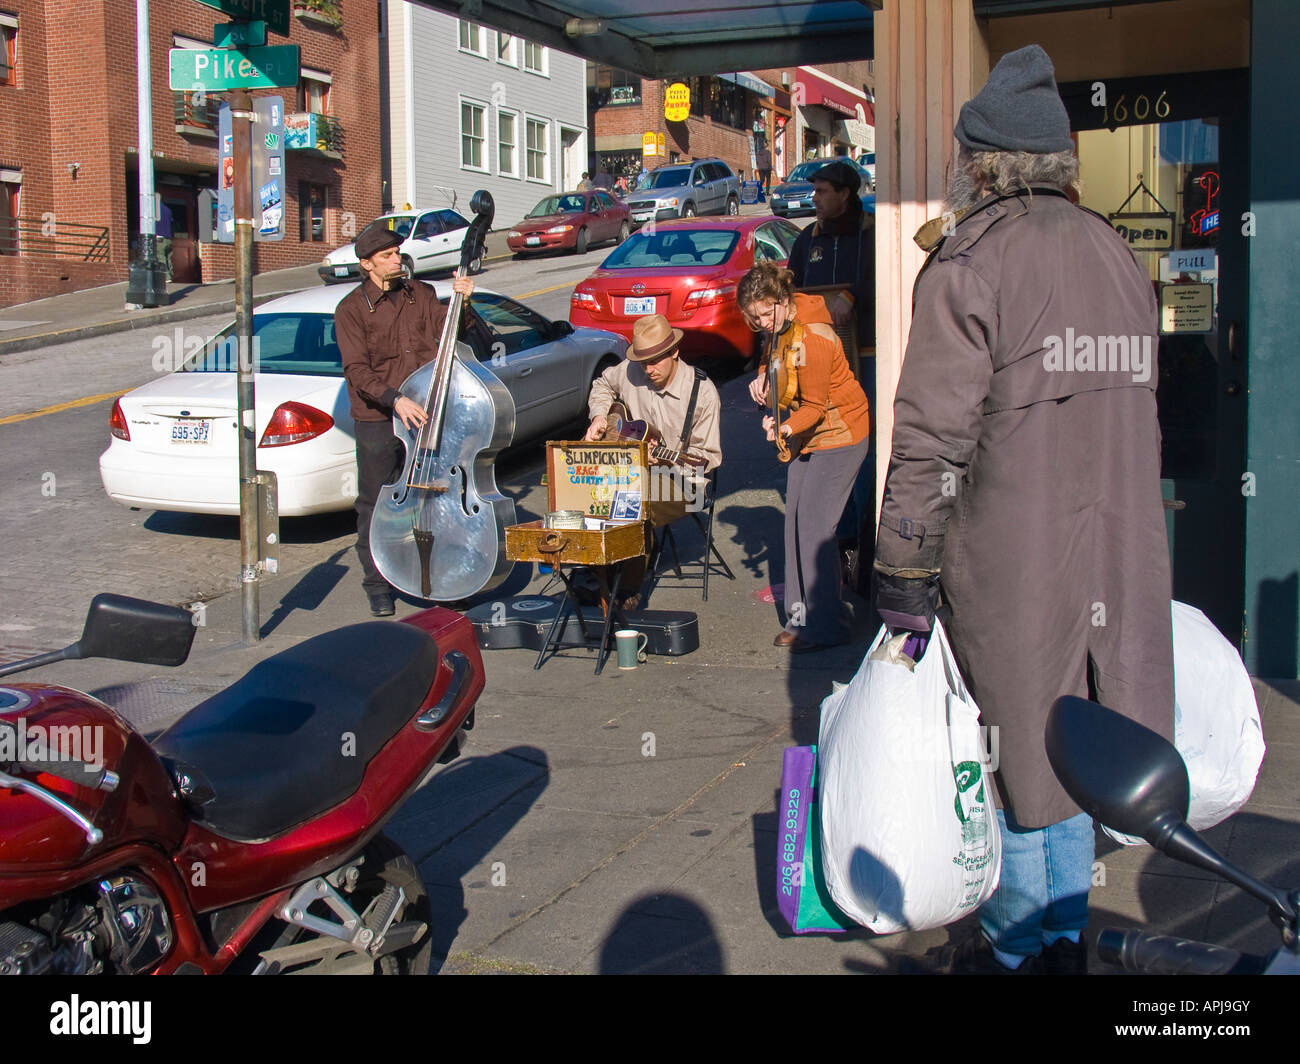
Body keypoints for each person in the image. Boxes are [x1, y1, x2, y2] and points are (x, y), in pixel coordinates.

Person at [871, 44, 1174, 974]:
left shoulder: (973, 262)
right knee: (1079, 748)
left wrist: (900, 578)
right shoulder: (1117, 252)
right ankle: (1062, 939)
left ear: (983, 161)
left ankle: (1012, 950)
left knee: (1005, 764)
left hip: (1009, 559)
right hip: (1112, 555)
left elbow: (928, 442)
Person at [334, 223, 475, 617]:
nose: (398, 259)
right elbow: (357, 372)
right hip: (380, 417)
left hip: (428, 411)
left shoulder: (422, 293)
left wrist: (465, 302)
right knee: (377, 502)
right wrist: (395, 401)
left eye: (398, 252)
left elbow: (455, 334)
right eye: (387, 256)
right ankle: (377, 583)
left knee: (435, 496)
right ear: (367, 264)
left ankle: (436, 576)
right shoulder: (350, 310)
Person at [741, 261, 870, 652]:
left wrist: (781, 427)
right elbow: (772, 353)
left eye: (767, 312)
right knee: (795, 521)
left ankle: (827, 624)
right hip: (806, 435)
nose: (763, 322)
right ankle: (802, 617)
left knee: (816, 529)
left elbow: (814, 407)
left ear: (783, 300)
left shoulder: (813, 335)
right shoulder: (780, 325)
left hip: (840, 433)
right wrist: (763, 374)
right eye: (755, 317)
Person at [584, 314, 722, 609]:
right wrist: (599, 415)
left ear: (674, 352)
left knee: (632, 502)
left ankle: (627, 587)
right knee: (588, 488)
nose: (648, 369)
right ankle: (601, 569)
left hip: (687, 482)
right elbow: (602, 384)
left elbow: (706, 459)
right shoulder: (632, 370)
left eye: (656, 361)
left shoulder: (702, 392)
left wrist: (661, 462)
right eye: (643, 362)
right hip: (634, 471)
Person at [787, 157, 876, 589]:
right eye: (815, 190)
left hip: (866, 355)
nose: (815, 198)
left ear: (845, 194)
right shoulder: (808, 240)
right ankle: (838, 553)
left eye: (823, 192)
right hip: (819, 363)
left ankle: (866, 551)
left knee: (863, 455)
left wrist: (851, 296)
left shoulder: (872, 235)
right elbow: (792, 292)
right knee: (824, 450)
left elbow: (883, 281)